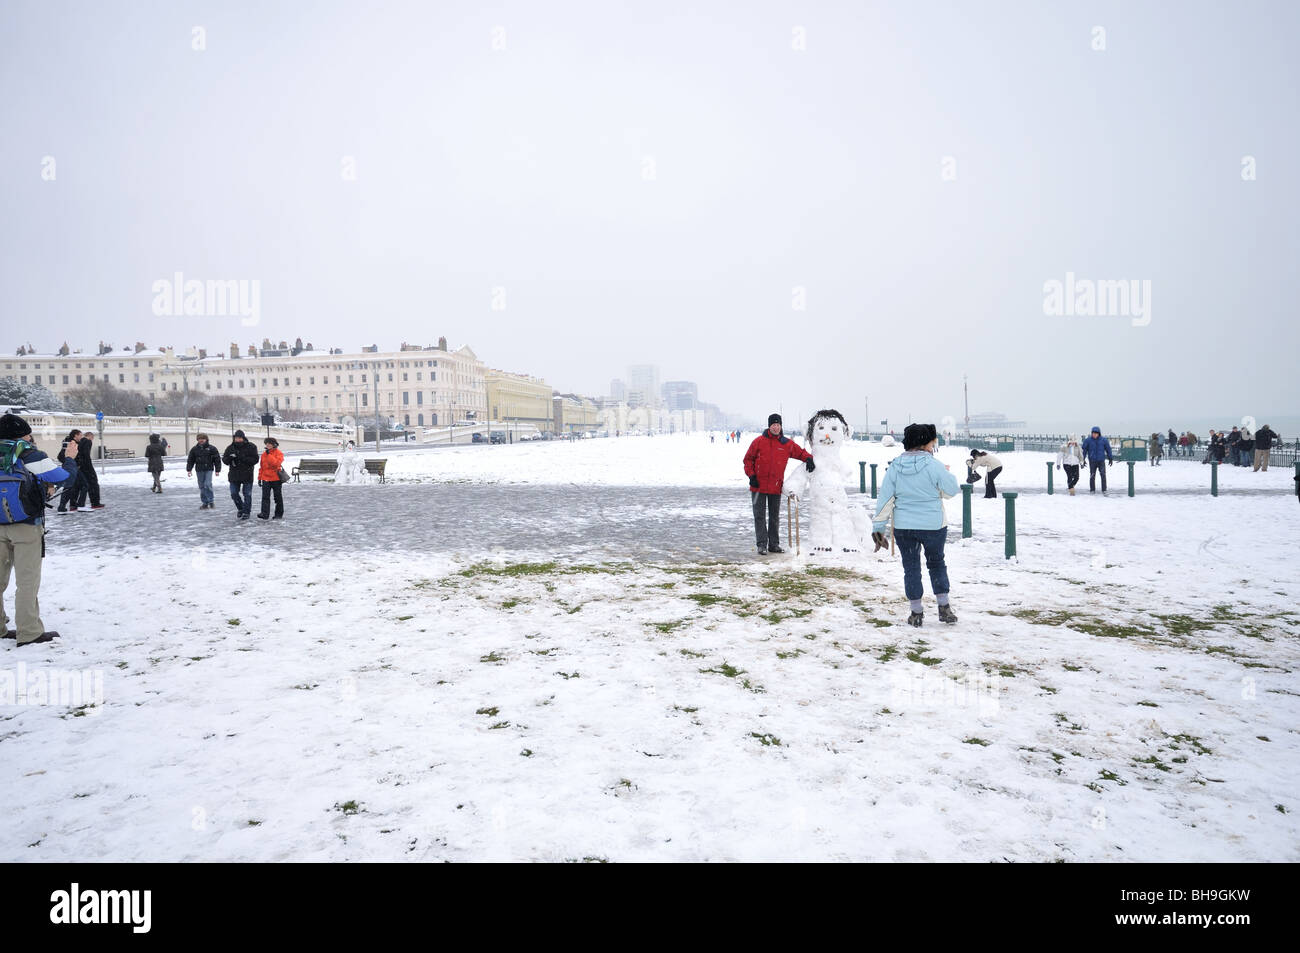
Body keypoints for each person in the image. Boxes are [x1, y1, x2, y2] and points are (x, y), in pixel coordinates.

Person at [871, 423, 959, 627]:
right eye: (932, 443)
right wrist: (944, 479)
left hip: (905, 528)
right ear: (926, 443)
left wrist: (878, 528)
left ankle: (916, 612)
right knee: (936, 563)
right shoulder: (934, 465)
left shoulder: (895, 467)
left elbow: (885, 500)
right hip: (933, 526)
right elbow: (951, 491)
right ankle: (944, 607)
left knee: (911, 567)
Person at [0, 413, 70, 646]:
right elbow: (63, 478)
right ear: (23, 435)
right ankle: (29, 632)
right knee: (27, 581)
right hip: (27, 525)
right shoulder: (29, 454)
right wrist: (70, 459)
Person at [743, 413, 813, 555]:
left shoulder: (786, 443)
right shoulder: (758, 442)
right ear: (769, 426)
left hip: (775, 486)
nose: (776, 427)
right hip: (758, 486)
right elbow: (748, 460)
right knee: (759, 516)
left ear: (781, 426)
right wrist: (751, 475)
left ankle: (774, 544)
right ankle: (762, 545)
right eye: (773, 425)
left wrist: (809, 459)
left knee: (774, 516)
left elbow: (800, 453)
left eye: (778, 425)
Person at [222, 430, 259, 520]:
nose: (237, 439)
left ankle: (246, 512)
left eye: (239, 438)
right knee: (234, 494)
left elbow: (255, 460)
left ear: (243, 438)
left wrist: (242, 458)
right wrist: (230, 458)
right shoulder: (230, 447)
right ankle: (241, 508)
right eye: (236, 438)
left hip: (247, 474)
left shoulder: (251, 446)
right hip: (234, 475)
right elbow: (225, 460)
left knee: (247, 494)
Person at [186, 433, 222, 509]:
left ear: (206, 439)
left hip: (209, 469)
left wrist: (217, 470)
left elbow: (217, 459)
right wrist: (189, 469)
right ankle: (205, 503)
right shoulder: (194, 449)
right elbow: (190, 460)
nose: (201, 440)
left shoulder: (212, 448)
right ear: (197, 440)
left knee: (207, 484)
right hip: (199, 470)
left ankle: (211, 501)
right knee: (202, 486)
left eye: (203, 439)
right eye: (199, 439)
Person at [257, 437, 286, 520]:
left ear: (274, 444)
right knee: (265, 497)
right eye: (266, 443)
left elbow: (276, 464)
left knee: (277, 497)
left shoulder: (278, 453)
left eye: (269, 443)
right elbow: (262, 467)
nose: (268, 445)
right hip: (265, 478)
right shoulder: (264, 454)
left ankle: (278, 514)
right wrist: (259, 478)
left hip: (276, 479)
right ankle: (264, 513)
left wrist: (269, 455)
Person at [74, 431, 104, 509]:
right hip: (87, 466)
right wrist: (89, 465)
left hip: (81, 466)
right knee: (93, 483)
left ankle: (75, 504)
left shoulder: (80, 442)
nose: (92, 439)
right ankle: (95, 503)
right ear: (90, 436)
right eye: (92, 438)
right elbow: (86, 454)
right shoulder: (88, 441)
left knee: (83, 485)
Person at [55, 429, 82, 513]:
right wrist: (70, 462)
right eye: (80, 435)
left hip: (71, 466)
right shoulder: (71, 443)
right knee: (69, 486)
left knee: (72, 486)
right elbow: (62, 456)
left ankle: (69, 505)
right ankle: (63, 506)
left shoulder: (69, 442)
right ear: (75, 435)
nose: (81, 437)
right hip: (71, 467)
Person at [1082, 426, 1112, 493]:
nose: (1094, 434)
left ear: (1099, 433)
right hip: (1092, 461)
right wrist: (1083, 459)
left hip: (1101, 461)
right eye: (1093, 433)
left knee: (1103, 475)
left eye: (1096, 433)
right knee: (1092, 475)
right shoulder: (1088, 440)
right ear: (1091, 433)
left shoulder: (1104, 440)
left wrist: (1110, 458)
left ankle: (1104, 489)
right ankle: (1092, 489)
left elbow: (1108, 449)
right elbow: (1084, 451)